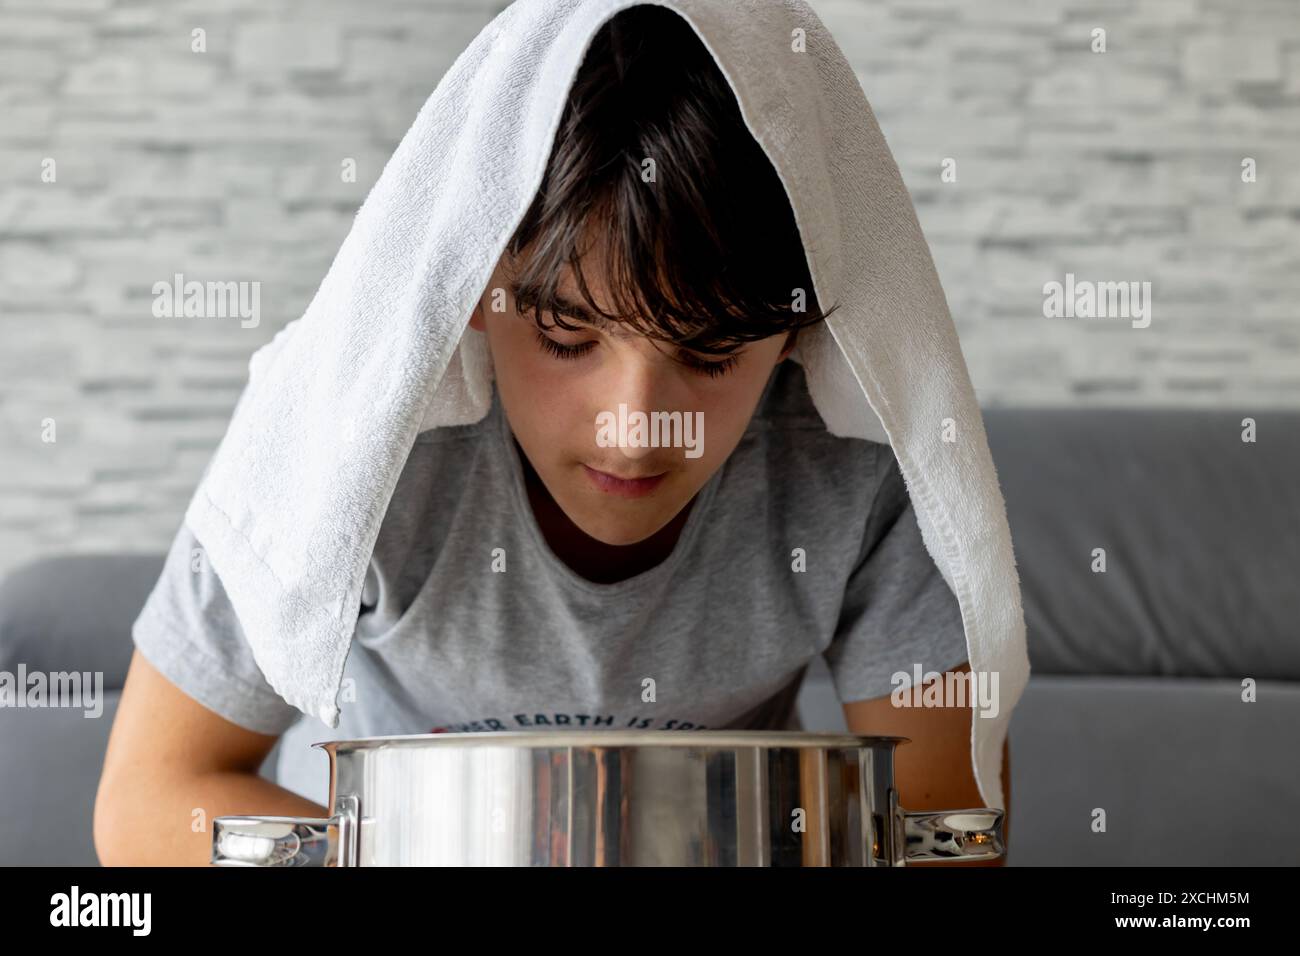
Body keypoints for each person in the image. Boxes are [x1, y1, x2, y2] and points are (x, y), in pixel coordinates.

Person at [94, 5, 1007, 867]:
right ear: (478, 282)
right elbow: (149, 795)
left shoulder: (867, 460)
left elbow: (941, 831)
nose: (636, 429)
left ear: (801, 327)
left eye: (713, 351)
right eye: (569, 337)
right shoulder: (346, 431)